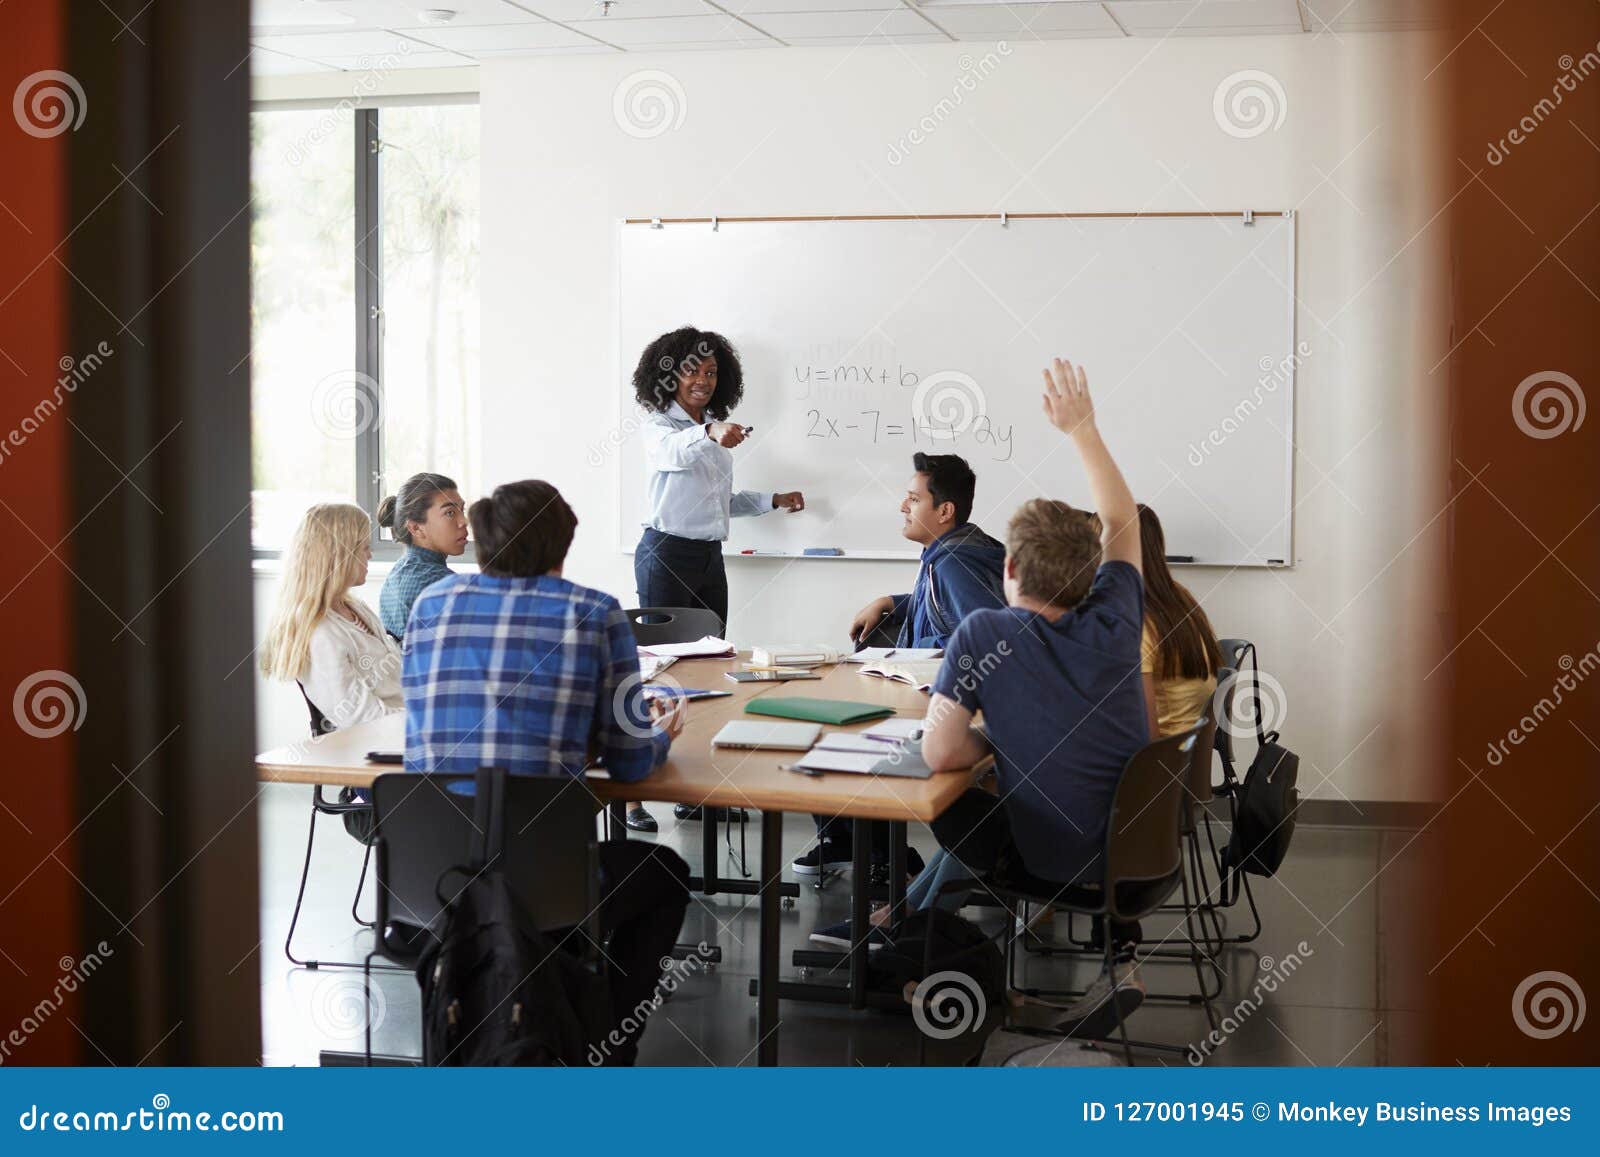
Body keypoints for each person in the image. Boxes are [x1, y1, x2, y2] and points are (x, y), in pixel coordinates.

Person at [810, 357, 1151, 1037]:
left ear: (1011, 568)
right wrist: (1083, 430)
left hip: (1056, 861)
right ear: (1091, 572)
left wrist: (992, 742)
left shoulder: (984, 632)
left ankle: (915, 932)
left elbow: (938, 753)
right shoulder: (1117, 615)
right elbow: (1122, 518)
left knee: (957, 801)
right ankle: (920, 922)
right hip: (1142, 855)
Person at [403, 479, 691, 1065]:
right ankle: (605, 1046)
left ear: (482, 544)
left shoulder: (429, 605)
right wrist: (660, 733)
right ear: (563, 547)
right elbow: (632, 763)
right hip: (545, 883)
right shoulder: (594, 611)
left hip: (433, 880)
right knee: (664, 874)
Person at [796, 453, 1006, 881]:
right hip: (927, 694)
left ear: (944, 511)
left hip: (938, 703)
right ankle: (857, 844)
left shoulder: (954, 564)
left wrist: (915, 653)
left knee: (835, 731)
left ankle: (878, 855)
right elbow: (947, 611)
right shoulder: (956, 549)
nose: (902, 507)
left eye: (913, 499)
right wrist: (892, 602)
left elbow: (983, 638)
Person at [633, 326, 804, 825]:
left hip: (708, 557)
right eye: (692, 370)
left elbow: (716, 504)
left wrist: (770, 501)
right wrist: (708, 434)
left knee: (707, 670)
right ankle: (632, 795)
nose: (702, 380)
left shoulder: (713, 428)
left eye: (711, 372)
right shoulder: (660, 429)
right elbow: (671, 456)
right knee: (658, 671)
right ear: (670, 376)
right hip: (665, 554)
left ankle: (693, 791)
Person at [261, 502, 401, 731]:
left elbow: (397, 682)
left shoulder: (356, 608)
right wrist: (425, 724)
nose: (370, 554)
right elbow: (359, 718)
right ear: (339, 555)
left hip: (404, 730)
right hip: (379, 746)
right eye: (364, 547)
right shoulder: (320, 633)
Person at [1136, 504, 1222, 738]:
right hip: (1189, 754)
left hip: (1163, 762)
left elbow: (1146, 738)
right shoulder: (1177, 595)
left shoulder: (1140, 623)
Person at [377, 472, 468, 639]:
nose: (464, 521)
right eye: (450, 513)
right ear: (416, 528)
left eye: (462, 510)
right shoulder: (441, 583)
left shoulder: (397, 573)